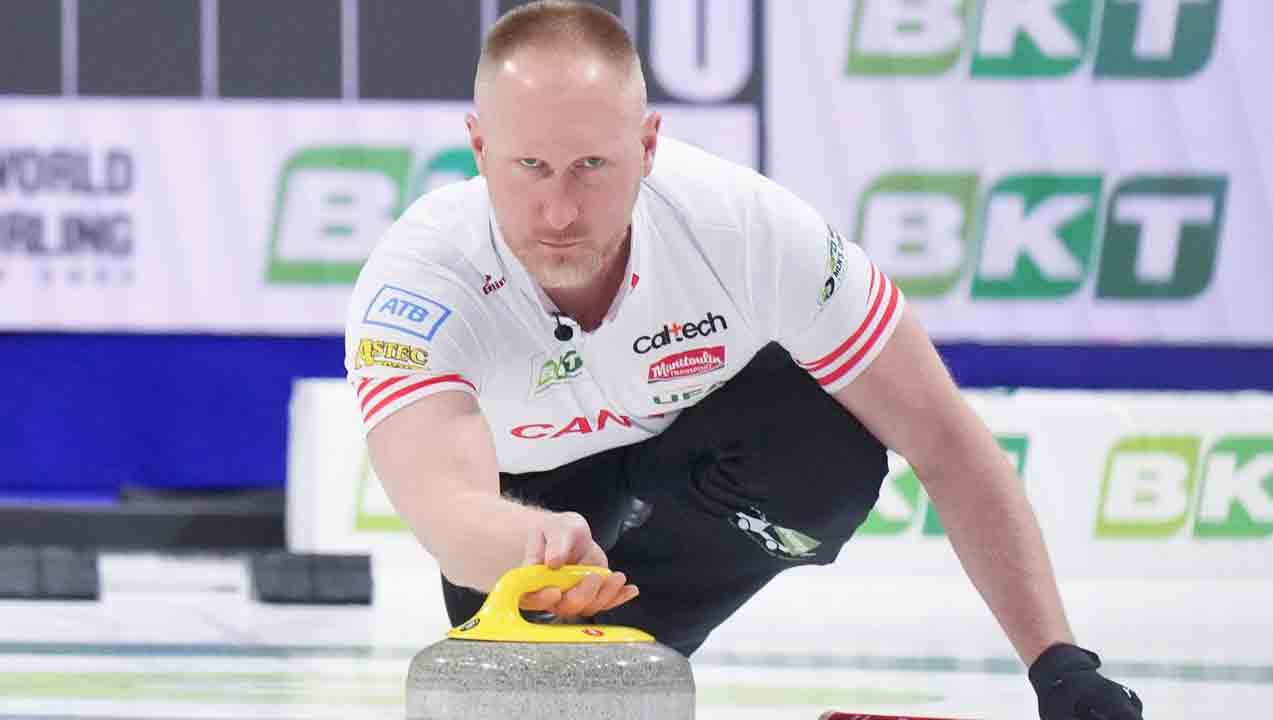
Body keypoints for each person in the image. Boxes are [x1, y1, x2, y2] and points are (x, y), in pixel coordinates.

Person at [344, 2, 1143, 718]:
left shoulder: (746, 230)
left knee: (830, 461)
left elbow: (943, 438)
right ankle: (583, 624)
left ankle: (644, 625)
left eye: (592, 165)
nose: (559, 211)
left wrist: (1059, 665)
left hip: (689, 452)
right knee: (530, 666)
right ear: (479, 148)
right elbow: (444, 506)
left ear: (647, 147)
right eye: (530, 167)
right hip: (533, 504)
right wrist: (541, 544)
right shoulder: (420, 280)